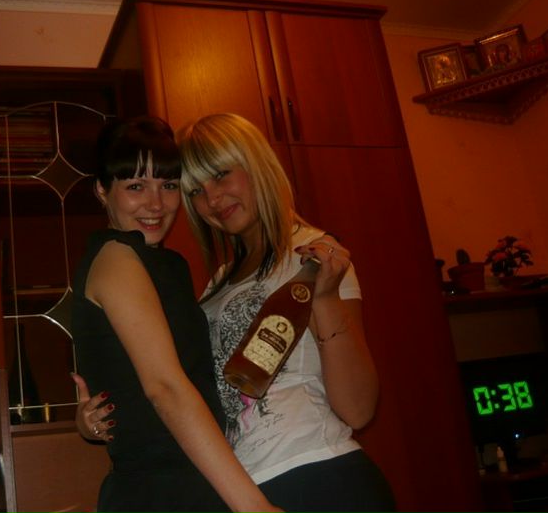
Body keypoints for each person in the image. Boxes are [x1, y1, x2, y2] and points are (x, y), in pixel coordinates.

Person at [76, 113, 396, 513]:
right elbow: (173, 379)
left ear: (256, 165)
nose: (212, 199)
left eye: (221, 175)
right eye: (195, 189)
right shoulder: (216, 282)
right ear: (103, 191)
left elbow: (358, 409)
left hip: (313, 471)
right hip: (238, 489)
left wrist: (327, 299)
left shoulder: (317, 257)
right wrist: (101, 412)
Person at [70, 116, 282, 513]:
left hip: (190, 480)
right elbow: (165, 388)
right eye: (135, 186)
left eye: (168, 185)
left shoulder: (168, 265)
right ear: (102, 190)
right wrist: (255, 508)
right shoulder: (117, 256)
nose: (156, 204)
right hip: (160, 489)